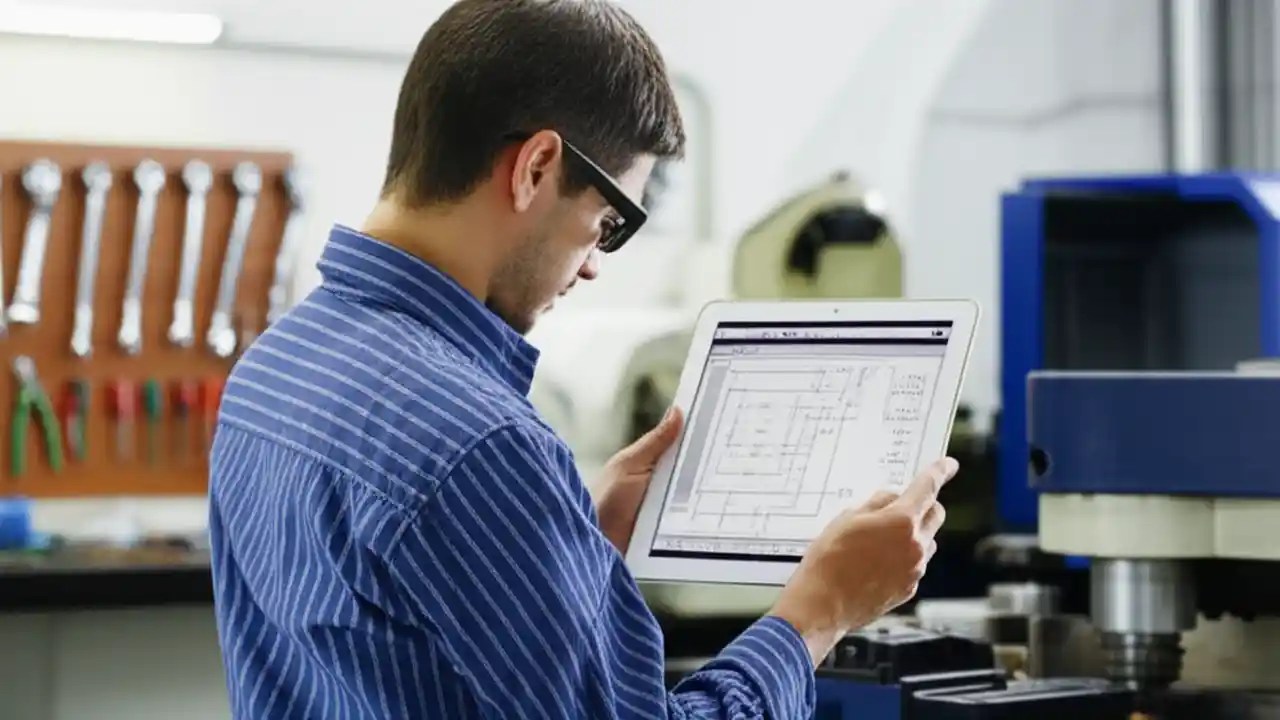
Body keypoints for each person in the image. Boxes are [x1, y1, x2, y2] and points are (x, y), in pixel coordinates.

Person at [207, 1, 957, 718]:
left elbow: (394, 641)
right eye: (606, 222)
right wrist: (821, 611)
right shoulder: (482, 446)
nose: (594, 263)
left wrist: (571, 539)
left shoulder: (273, 370)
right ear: (536, 166)